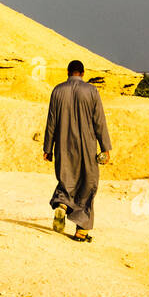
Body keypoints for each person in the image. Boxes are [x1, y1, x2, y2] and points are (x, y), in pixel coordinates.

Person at [42, 59, 111, 242]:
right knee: (88, 184)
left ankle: (63, 205)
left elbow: (51, 123)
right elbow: (99, 122)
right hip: (87, 145)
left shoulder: (57, 91)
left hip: (63, 144)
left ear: (68, 72)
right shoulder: (91, 91)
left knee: (67, 179)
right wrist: (105, 147)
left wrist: (48, 148)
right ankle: (81, 231)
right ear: (82, 73)